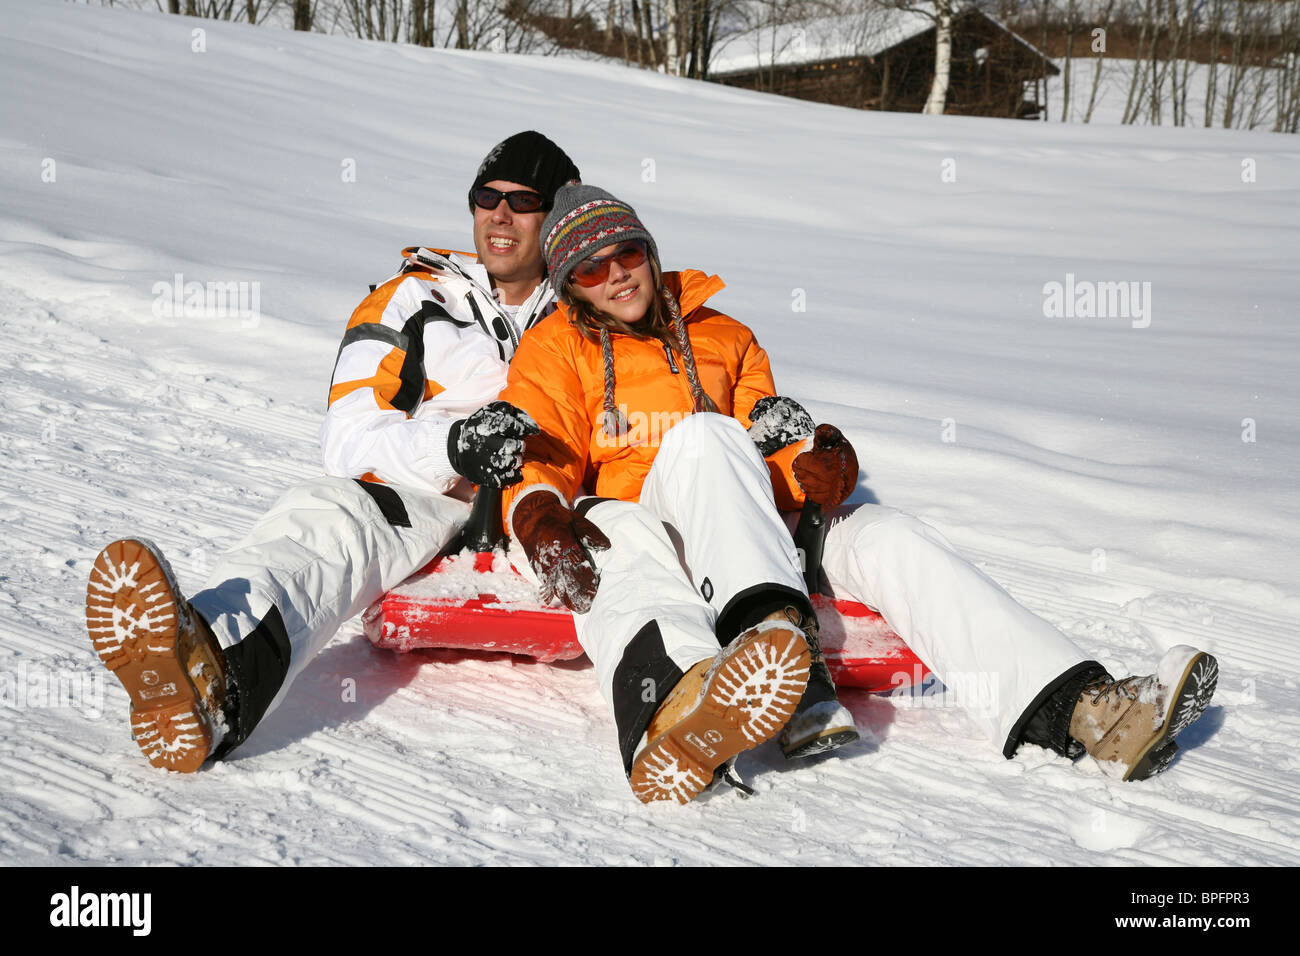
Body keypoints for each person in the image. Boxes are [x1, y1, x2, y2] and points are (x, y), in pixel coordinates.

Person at [494, 184, 1220, 805]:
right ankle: (757, 686)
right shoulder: (555, 349)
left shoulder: (723, 335)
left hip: (744, 526)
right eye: (590, 268)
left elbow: (770, 437)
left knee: (885, 534)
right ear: (569, 286)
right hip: (650, 529)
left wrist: (822, 461)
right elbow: (542, 451)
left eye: (626, 253)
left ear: (648, 251)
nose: (615, 274)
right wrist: (534, 513)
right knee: (703, 438)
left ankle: (1084, 712)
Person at [84, 131, 580, 772]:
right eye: (486, 195)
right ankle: (209, 669)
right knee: (331, 520)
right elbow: (347, 439)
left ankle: (694, 695)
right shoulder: (415, 300)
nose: (499, 215)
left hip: (550, 508)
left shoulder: (594, 306)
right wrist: (453, 446)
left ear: (561, 214)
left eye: (524, 199)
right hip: (428, 496)